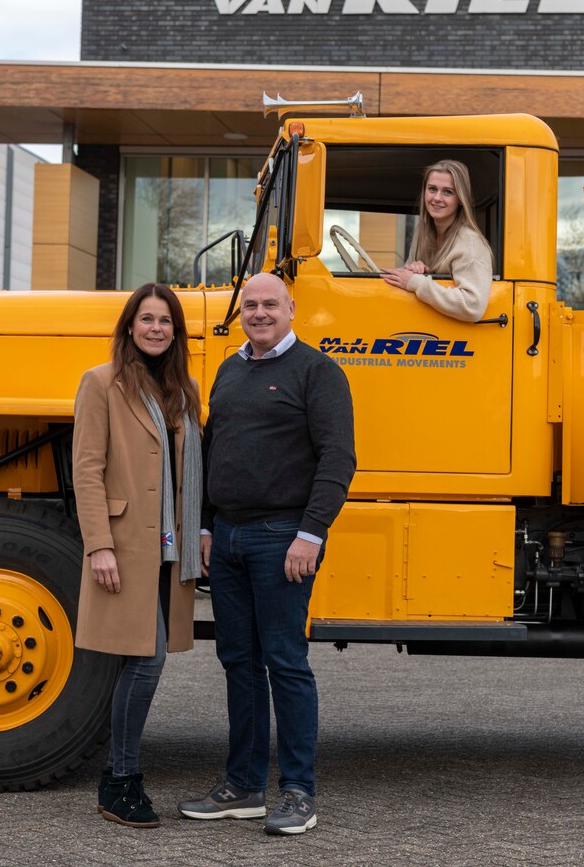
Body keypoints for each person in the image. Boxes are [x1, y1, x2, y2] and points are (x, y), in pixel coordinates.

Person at [178, 272, 356, 836]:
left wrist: (311, 534)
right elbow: (212, 452)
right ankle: (244, 787)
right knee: (238, 661)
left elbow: (338, 457)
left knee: (285, 662)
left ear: (291, 309)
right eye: (250, 304)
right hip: (228, 537)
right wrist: (205, 527)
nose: (258, 312)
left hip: (282, 538)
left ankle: (299, 792)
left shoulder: (318, 371)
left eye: (269, 304)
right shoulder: (229, 370)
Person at [73, 282, 202, 829]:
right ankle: (120, 779)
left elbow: (191, 472)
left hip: (169, 548)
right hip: (125, 545)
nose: (156, 328)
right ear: (129, 326)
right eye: (146, 319)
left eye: (165, 321)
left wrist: (200, 533)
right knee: (146, 660)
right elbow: (87, 469)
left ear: (176, 332)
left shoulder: (185, 391)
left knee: (143, 659)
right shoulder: (101, 382)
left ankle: (119, 778)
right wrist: (99, 544)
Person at [381, 158, 493, 322]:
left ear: (460, 199)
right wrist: (414, 270)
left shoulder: (470, 243)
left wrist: (418, 283)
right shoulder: (423, 232)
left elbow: (473, 305)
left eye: (447, 192)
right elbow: (406, 280)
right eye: (432, 189)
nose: (437, 198)